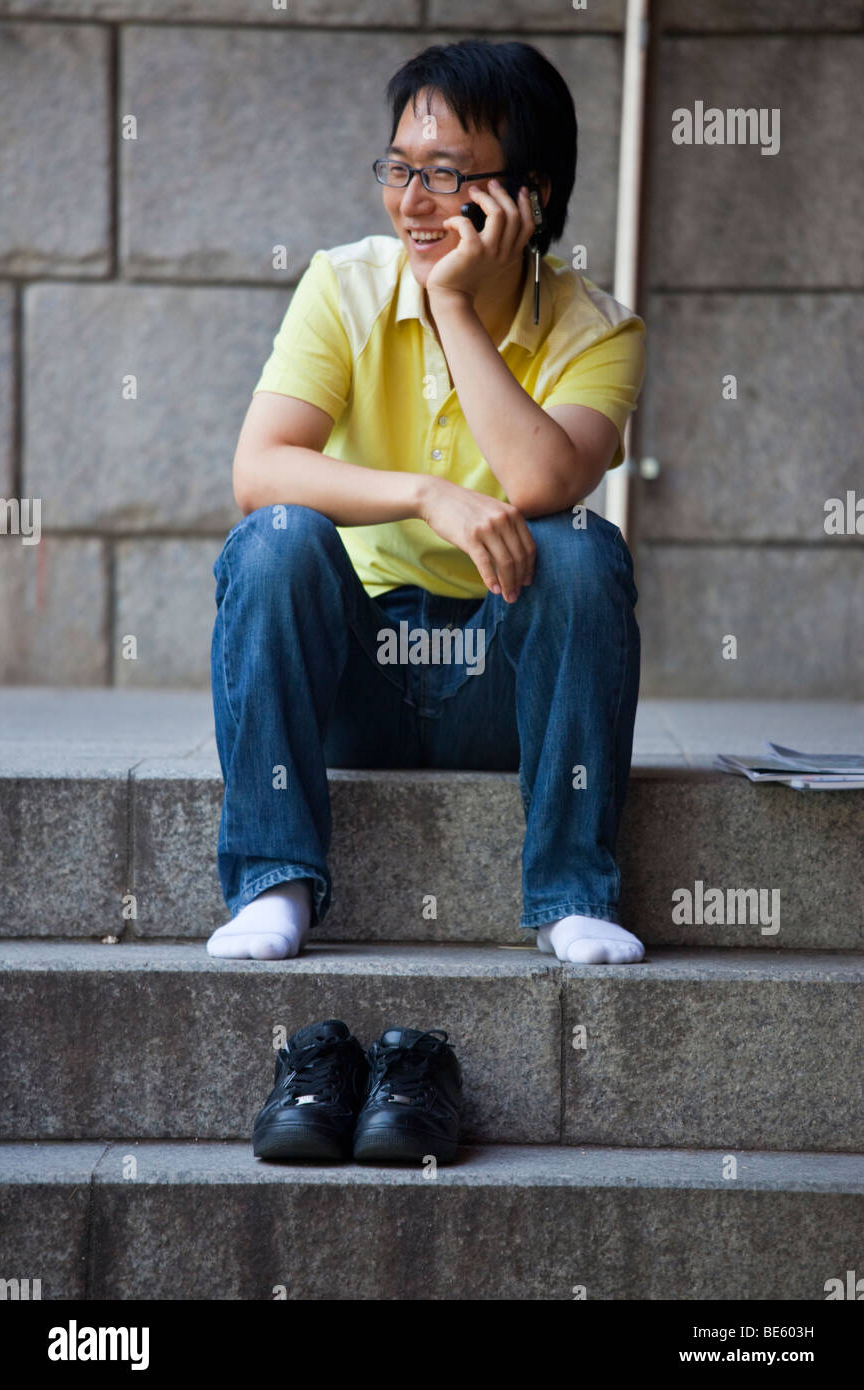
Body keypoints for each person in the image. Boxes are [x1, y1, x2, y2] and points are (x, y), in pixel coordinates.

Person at [207, 38, 645, 966]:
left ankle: (572, 893)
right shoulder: (343, 283)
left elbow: (542, 484)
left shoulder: (597, 329)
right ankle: (272, 880)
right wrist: (423, 495)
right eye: (399, 168)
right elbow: (259, 470)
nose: (411, 201)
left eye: (444, 176)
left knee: (579, 546)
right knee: (276, 539)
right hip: (354, 672)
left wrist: (451, 306)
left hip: (503, 677)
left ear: (526, 197)